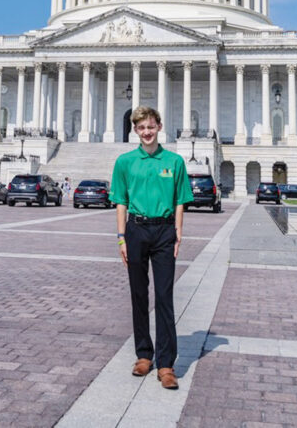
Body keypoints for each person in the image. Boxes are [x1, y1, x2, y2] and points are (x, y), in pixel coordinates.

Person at [109, 105, 193, 390]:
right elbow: (120, 201)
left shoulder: (174, 161)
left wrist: (178, 233)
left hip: (164, 230)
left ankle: (167, 363)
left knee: (165, 296)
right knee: (138, 295)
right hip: (135, 229)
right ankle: (144, 354)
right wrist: (121, 237)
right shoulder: (124, 162)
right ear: (135, 130)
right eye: (141, 127)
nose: (146, 132)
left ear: (159, 126)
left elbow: (181, 200)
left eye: (151, 126)